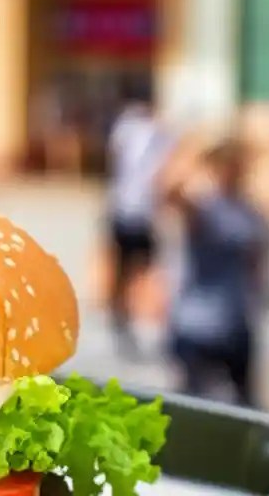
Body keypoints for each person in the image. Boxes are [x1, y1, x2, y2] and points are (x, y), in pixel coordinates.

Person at [161, 136, 269, 408]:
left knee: (247, 407)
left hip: (235, 323)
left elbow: (258, 265)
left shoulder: (251, 212)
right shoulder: (203, 209)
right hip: (196, 324)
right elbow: (167, 193)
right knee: (193, 403)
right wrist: (190, 155)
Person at [104, 99, 173, 357]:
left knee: (137, 268)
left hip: (133, 210)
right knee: (136, 269)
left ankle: (129, 316)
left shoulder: (131, 128)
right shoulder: (143, 129)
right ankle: (126, 317)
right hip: (132, 210)